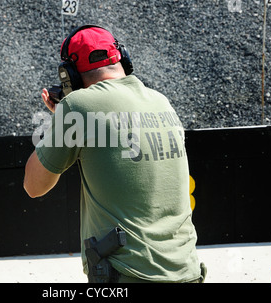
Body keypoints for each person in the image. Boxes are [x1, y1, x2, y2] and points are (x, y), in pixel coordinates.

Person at [23, 25, 204, 283]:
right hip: (188, 272)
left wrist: (62, 121)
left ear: (69, 75)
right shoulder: (161, 102)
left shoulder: (77, 107)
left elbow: (34, 185)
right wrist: (69, 125)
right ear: (123, 59)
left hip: (130, 275)